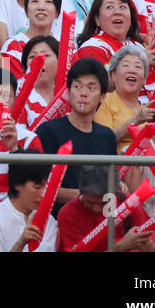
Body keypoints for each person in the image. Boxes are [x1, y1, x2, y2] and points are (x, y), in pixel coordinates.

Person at [36, 57, 119, 203]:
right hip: (57, 220)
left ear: (103, 97)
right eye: (77, 86)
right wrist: (84, 197)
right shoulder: (48, 132)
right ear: (68, 93)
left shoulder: (107, 136)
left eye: (91, 87)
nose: (83, 93)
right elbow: (38, 188)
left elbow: (112, 186)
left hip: (99, 217)